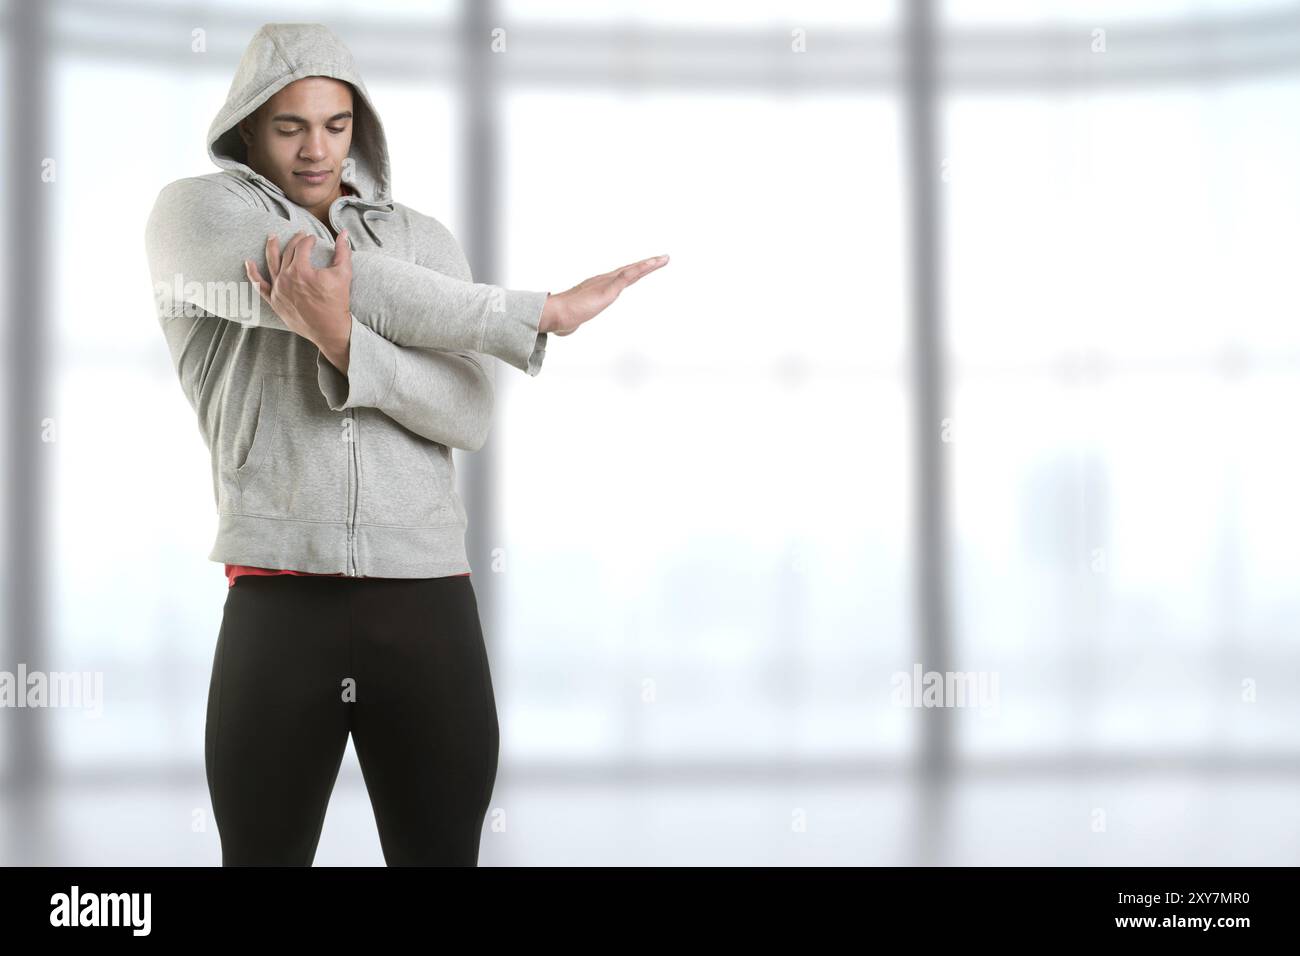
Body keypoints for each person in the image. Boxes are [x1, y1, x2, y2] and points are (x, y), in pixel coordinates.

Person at [144, 22, 667, 866]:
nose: (318, 150)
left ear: (360, 124)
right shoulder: (196, 216)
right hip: (280, 601)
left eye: (337, 124)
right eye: (289, 127)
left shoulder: (422, 240)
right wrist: (533, 311)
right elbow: (321, 273)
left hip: (428, 605)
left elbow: (468, 412)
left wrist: (346, 347)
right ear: (246, 126)